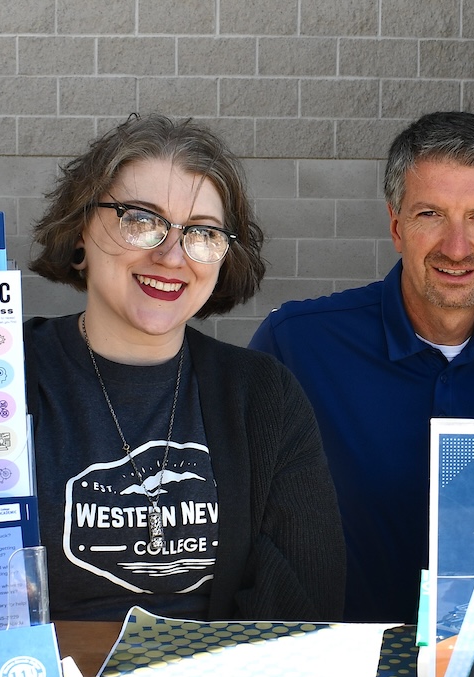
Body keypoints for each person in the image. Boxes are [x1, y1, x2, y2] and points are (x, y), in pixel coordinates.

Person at [251, 112, 474, 623]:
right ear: (397, 226)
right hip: (336, 662)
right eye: (431, 214)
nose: (456, 246)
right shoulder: (298, 345)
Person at [26, 113, 344, 623]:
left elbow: (302, 601)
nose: (173, 256)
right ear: (80, 230)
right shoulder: (4, 373)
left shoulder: (264, 397)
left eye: (202, 233)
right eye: (142, 220)